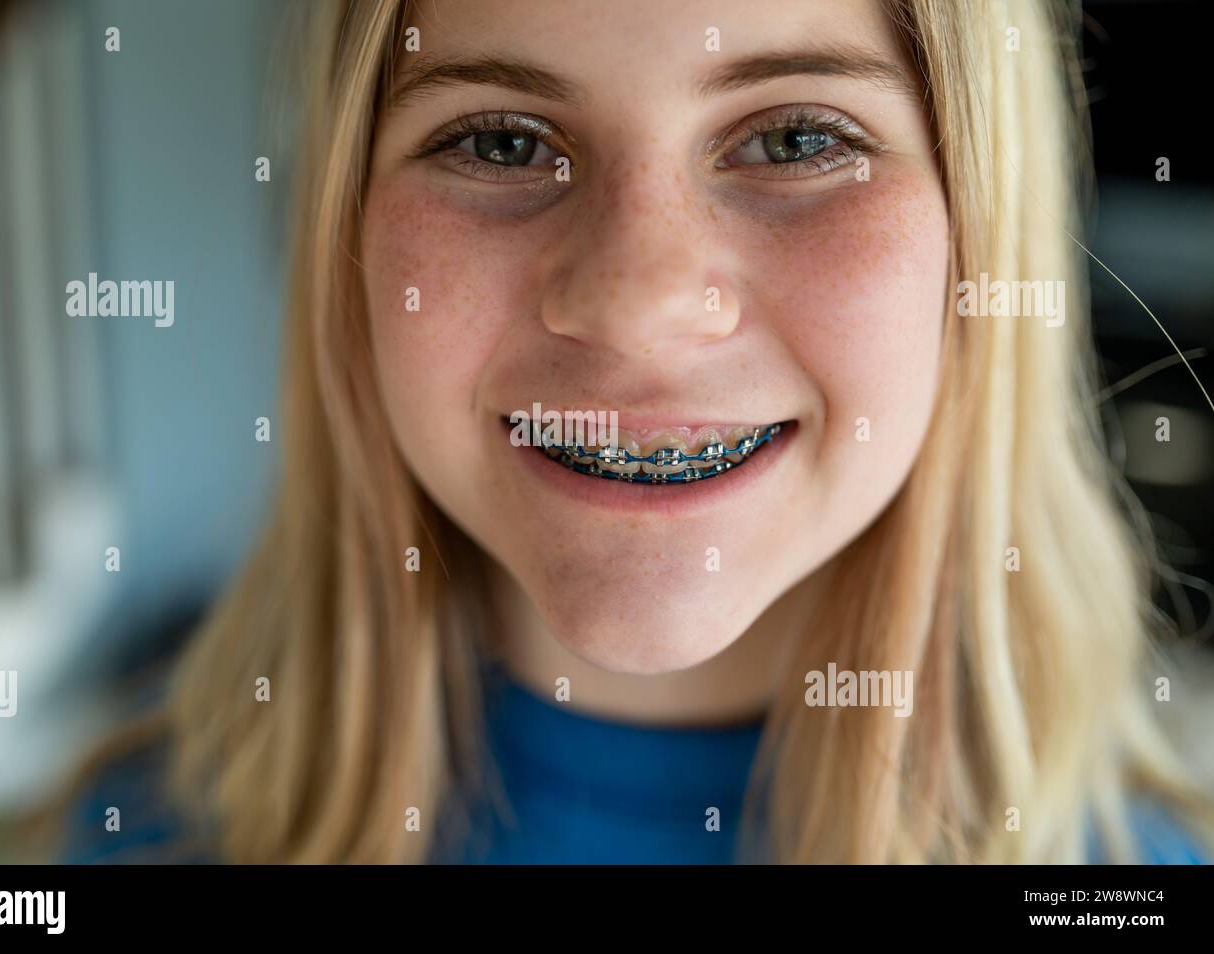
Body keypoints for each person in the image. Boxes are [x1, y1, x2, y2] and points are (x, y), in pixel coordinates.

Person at [62, 0, 1214, 865]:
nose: (636, 298)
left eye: (795, 137)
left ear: (978, 239)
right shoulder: (144, 835)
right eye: (504, 141)